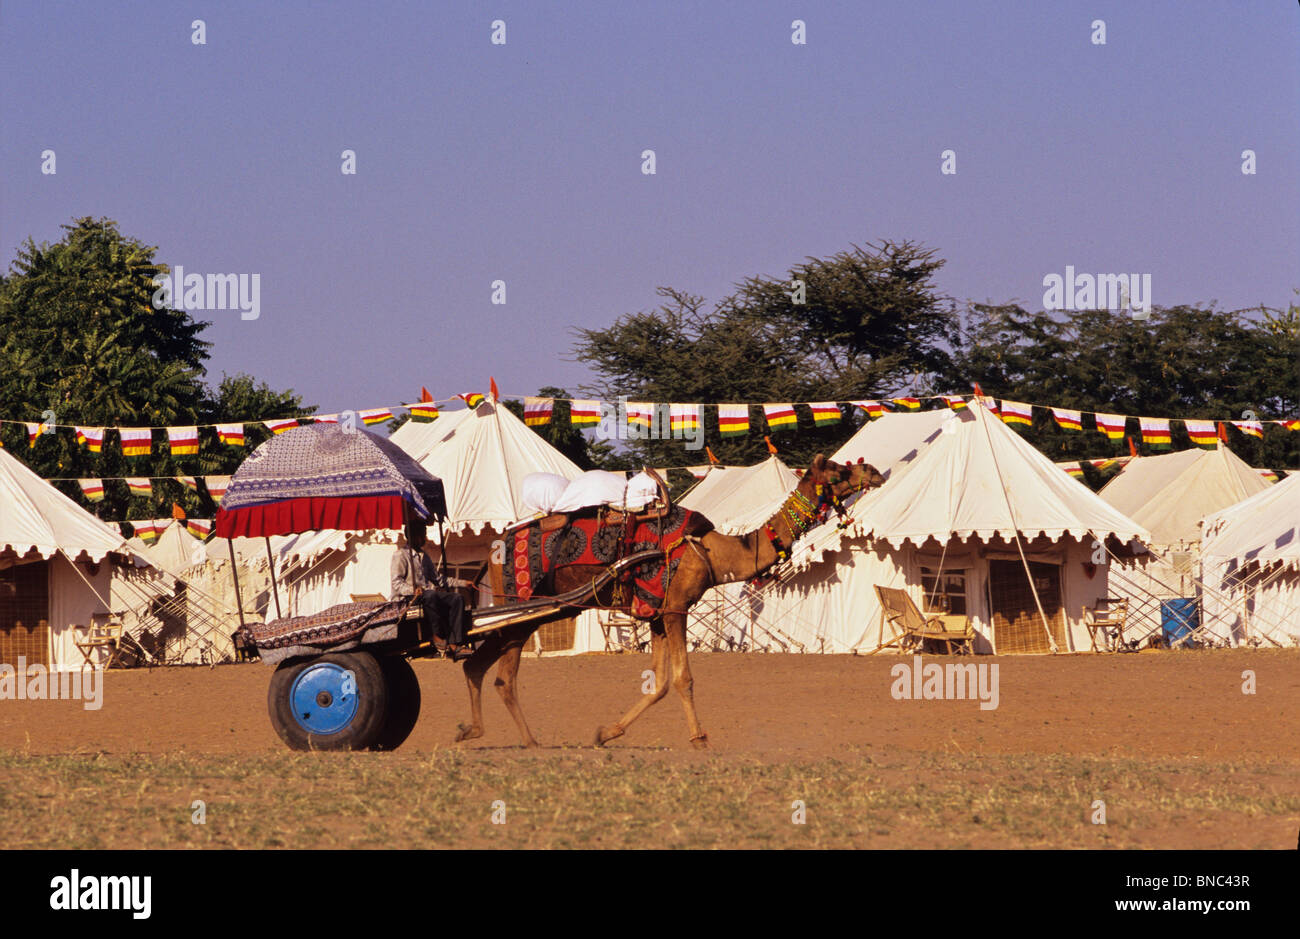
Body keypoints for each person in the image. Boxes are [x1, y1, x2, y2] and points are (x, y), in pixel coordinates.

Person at [390, 520, 473, 661]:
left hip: (427, 595)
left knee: (457, 598)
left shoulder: (424, 556)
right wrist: (412, 590)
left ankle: (455, 644)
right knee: (431, 595)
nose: (425, 538)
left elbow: (439, 579)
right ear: (412, 536)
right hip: (408, 598)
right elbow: (396, 583)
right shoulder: (400, 555)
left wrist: (464, 583)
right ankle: (436, 635)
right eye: (422, 535)